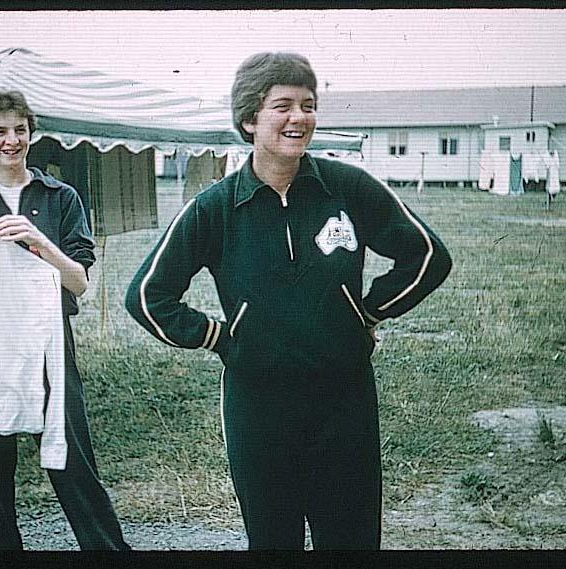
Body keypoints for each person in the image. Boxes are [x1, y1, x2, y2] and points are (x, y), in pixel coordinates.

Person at [125, 52, 452, 550]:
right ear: (249, 119)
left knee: (351, 541)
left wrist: (367, 310)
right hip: (259, 409)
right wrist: (215, 336)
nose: (299, 118)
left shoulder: (348, 188)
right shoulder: (216, 208)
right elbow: (148, 296)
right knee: (273, 541)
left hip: (343, 402)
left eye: (308, 104)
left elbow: (428, 256)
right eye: (283, 105)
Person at [0, 90, 129, 551]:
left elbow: (79, 282)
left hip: (47, 341)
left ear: (32, 133)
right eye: (0, 132)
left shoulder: (60, 197)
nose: (12, 141)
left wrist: (39, 243)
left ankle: (107, 550)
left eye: (20, 130)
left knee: (71, 456)